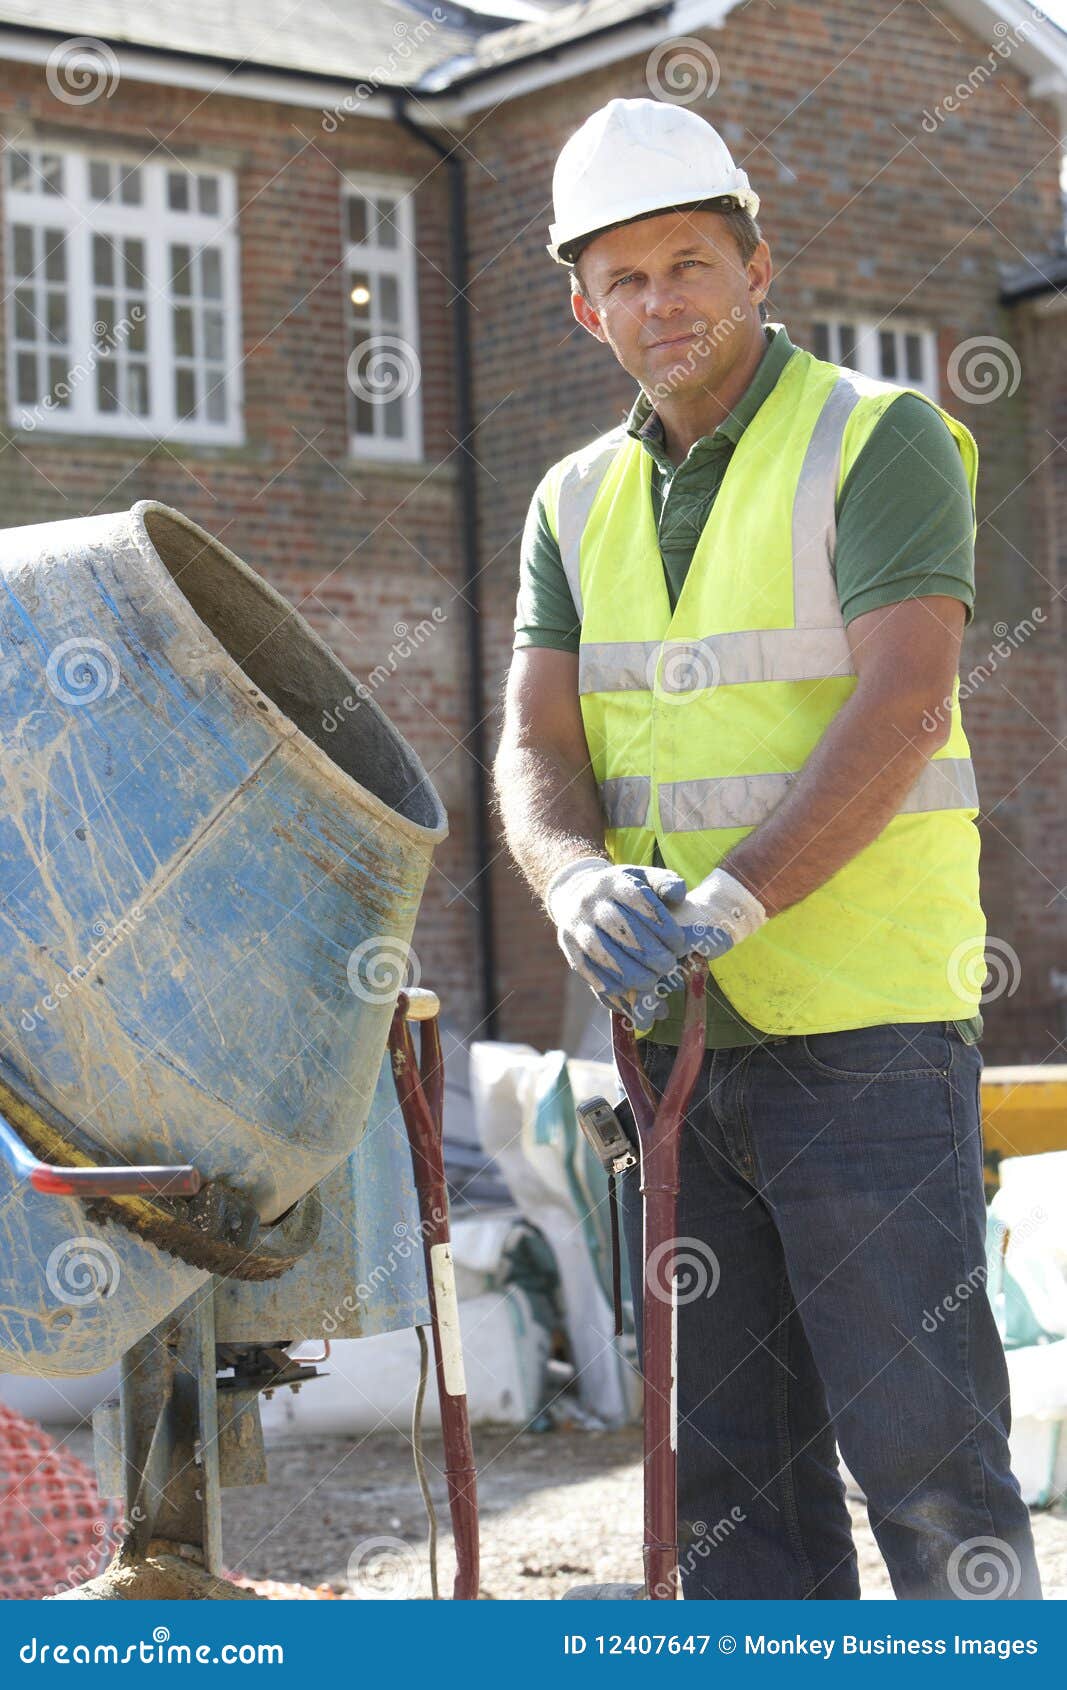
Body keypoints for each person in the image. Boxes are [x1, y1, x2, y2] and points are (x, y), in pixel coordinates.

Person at [493, 96, 1040, 1600]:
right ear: (583, 304)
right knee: (732, 1490)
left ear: (757, 264)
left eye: (689, 262)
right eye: (625, 277)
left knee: (929, 1468)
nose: (660, 301)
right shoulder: (572, 501)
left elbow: (906, 694)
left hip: (863, 1039)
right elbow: (537, 743)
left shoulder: (882, 438)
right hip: (675, 1047)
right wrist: (578, 877)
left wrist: (734, 896)